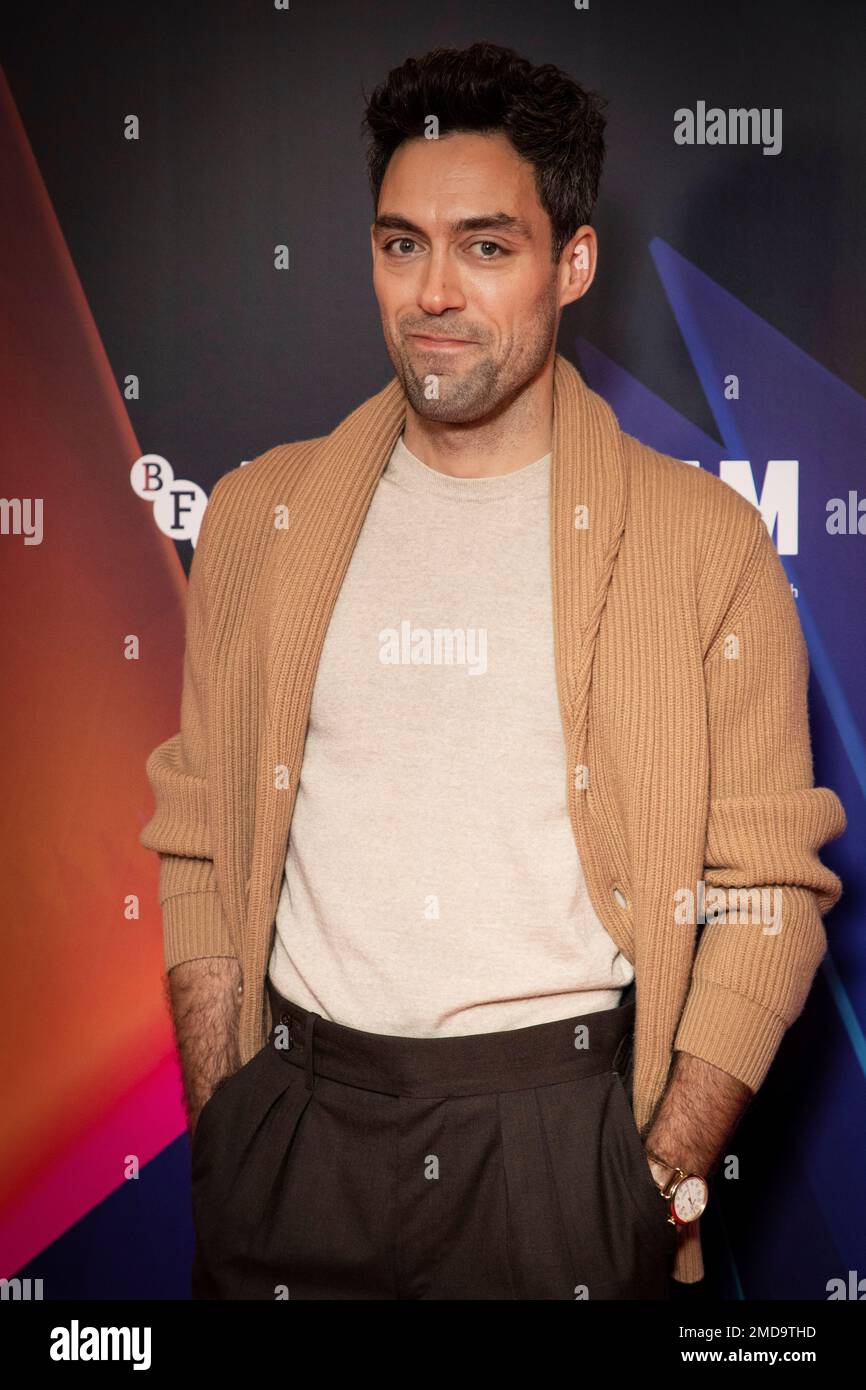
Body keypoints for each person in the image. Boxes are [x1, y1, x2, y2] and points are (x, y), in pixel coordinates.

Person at [140, 41, 847, 1300]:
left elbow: (766, 894)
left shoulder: (702, 544)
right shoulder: (255, 519)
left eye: (484, 245)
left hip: (558, 1153)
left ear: (571, 263)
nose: (432, 292)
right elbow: (197, 837)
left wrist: (654, 1182)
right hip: (291, 1134)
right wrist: (225, 1131)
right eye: (400, 243)